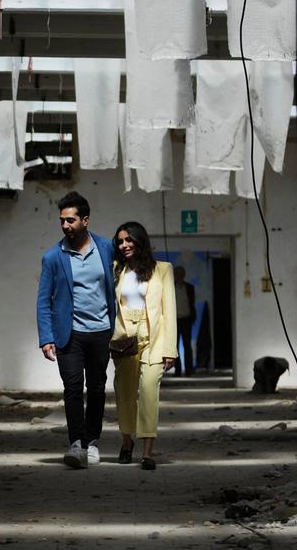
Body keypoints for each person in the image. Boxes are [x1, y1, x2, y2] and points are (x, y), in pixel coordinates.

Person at [36, 191, 118, 469]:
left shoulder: (107, 248)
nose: (65, 226)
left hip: (101, 331)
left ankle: (92, 442)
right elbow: (43, 300)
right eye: (62, 220)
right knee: (72, 387)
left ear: (85, 220)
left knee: (96, 388)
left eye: (70, 220)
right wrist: (46, 337)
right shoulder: (52, 257)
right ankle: (76, 444)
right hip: (68, 333)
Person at [110, 221, 177, 470]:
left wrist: (170, 349)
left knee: (149, 392)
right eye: (120, 241)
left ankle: (147, 453)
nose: (125, 245)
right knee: (125, 394)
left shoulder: (163, 269)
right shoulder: (117, 269)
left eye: (129, 240)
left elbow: (169, 310)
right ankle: (127, 443)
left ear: (140, 241)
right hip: (124, 340)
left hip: (154, 340)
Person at [172, 266, 196, 376]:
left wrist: (192, 318)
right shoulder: (171, 287)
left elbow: (192, 304)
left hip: (186, 319)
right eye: (177, 274)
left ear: (184, 275)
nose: (179, 276)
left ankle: (189, 370)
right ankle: (177, 370)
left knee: (187, 346)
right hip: (174, 321)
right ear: (175, 275)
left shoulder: (190, 288)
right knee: (174, 346)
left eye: (181, 274)